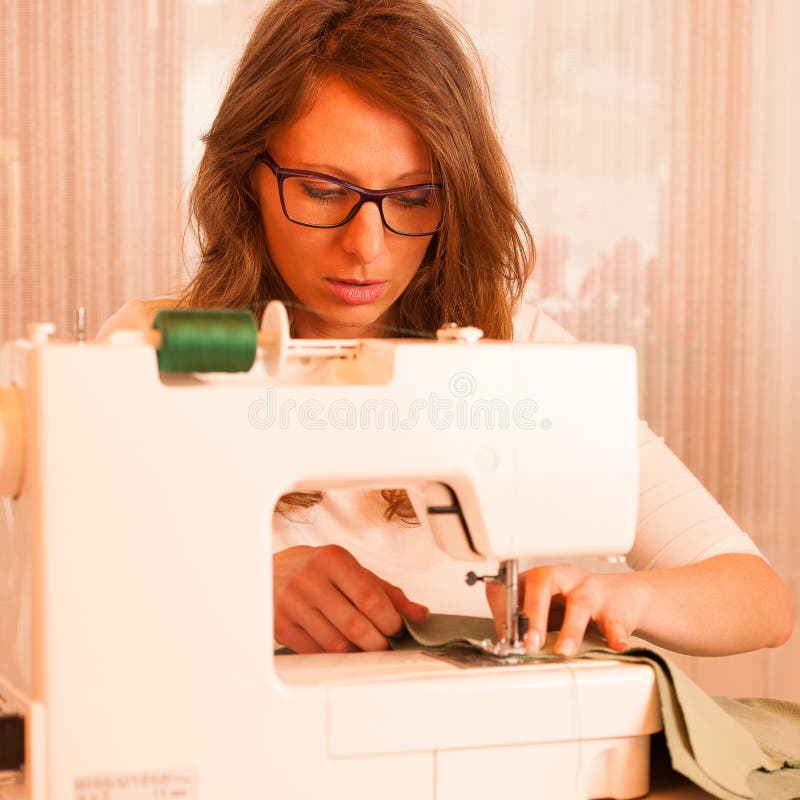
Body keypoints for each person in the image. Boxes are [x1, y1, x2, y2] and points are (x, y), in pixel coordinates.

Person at [99, 0, 793, 659]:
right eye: (323, 190)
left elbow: (759, 600)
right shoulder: (150, 354)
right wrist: (236, 582)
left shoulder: (524, 357)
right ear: (246, 175)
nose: (366, 245)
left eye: (413, 197)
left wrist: (621, 595)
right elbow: (84, 598)